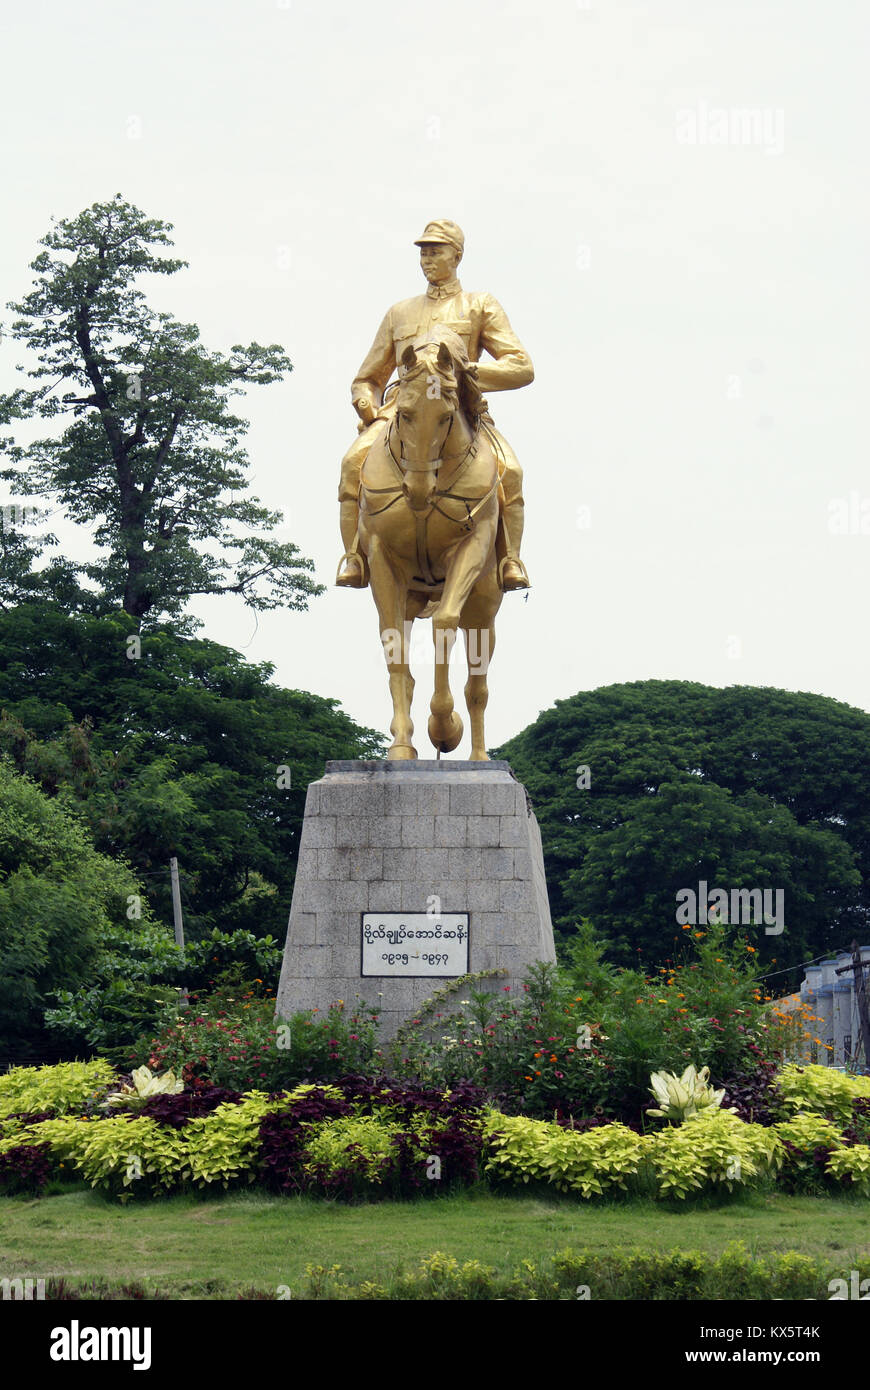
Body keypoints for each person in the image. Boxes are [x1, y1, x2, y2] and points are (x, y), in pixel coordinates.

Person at [336, 219, 534, 590]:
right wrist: (368, 407)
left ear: (456, 256)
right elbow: (368, 378)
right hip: (401, 412)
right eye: (423, 252)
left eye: (436, 251)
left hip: (460, 411)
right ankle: (354, 556)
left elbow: (521, 367)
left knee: (513, 471)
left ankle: (510, 560)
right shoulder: (399, 313)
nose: (427, 259)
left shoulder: (480, 305)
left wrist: (464, 374)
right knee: (351, 463)